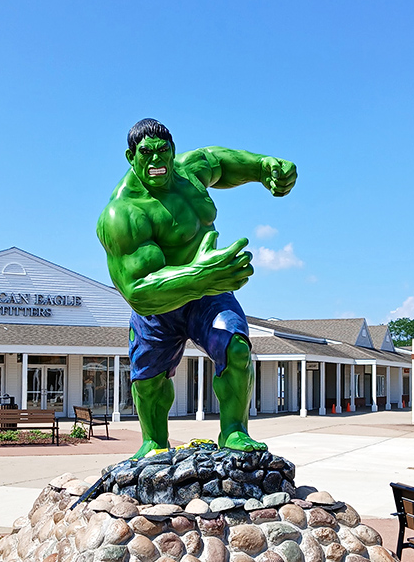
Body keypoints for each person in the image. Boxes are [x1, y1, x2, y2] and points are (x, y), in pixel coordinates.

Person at [97, 118, 297, 459]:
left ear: (173, 152)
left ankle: (234, 431)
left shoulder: (188, 173)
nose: (157, 161)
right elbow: (137, 291)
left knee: (235, 348)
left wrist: (264, 167)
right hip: (159, 305)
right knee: (148, 381)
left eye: (164, 152)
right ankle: (154, 442)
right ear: (131, 157)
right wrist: (202, 275)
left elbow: (219, 161)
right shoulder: (122, 214)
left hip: (208, 294)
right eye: (146, 153)